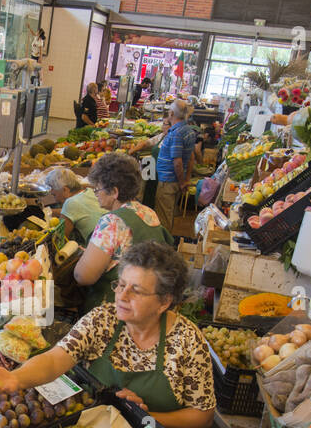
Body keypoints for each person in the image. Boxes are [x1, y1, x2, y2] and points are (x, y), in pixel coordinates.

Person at [0, 241, 215, 428]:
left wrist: (142, 416)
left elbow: (202, 415)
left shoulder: (187, 342)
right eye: (121, 285)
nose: (122, 296)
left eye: (136, 290)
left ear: (164, 302)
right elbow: (55, 359)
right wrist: (17, 378)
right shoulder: (104, 320)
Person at [74, 152, 174, 309]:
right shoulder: (148, 212)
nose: (96, 194)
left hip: (114, 309)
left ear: (114, 192)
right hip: (144, 304)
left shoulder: (112, 222)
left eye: (97, 189)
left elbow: (84, 277)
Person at [155, 99, 197, 233]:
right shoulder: (188, 130)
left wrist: (182, 181)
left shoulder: (177, 133)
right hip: (176, 180)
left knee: (164, 218)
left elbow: (177, 161)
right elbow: (191, 158)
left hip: (168, 181)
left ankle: (162, 248)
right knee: (169, 213)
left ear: (172, 113)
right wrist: (186, 179)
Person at [40, 167, 104, 245]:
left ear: (65, 190)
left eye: (54, 195)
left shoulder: (70, 203)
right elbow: (76, 211)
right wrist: (50, 211)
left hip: (95, 247)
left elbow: (60, 240)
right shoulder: (89, 191)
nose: (55, 200)